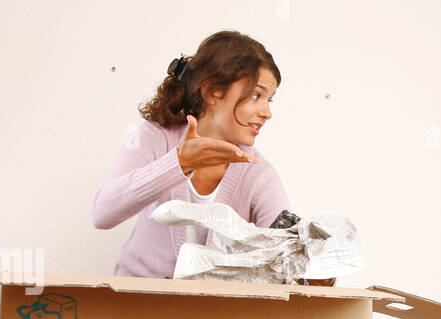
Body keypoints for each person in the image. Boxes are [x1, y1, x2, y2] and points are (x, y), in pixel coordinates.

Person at [90, 31, 291, 278]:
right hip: (136, 302)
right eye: (255, 96)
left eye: (269, 100)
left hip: (208, 313)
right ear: (211, 92)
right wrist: (179, 162)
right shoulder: (155, 137)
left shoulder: (257, 172)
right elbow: (101, 214)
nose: (266, 112)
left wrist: (315, 268)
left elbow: (286, 252)